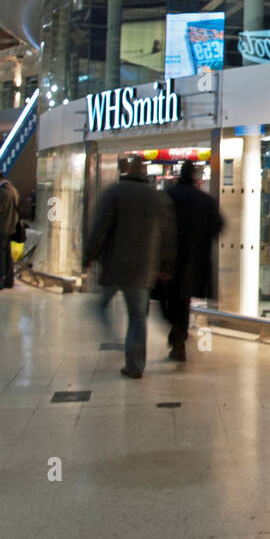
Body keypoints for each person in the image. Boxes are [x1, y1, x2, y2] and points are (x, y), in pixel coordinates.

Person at [84, 155, 176, 379]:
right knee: (137, 318)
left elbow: (100, 229)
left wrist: (89, 256)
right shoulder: (157, 197)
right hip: (142, 270)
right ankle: (135, 365)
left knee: (100, 306)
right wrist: (165, 265)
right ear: (144, 173)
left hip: (114, 266)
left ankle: (114, 338)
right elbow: (168, 236)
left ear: (126, 171)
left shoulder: (113, 193)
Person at [161, 161, 223, 362]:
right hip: (195, 259)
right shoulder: (204, 200)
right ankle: (179, 335)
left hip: (170, 258)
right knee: (183, 299)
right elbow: (219, 225)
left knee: (167, 299)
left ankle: (177, 335)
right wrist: (202, 239)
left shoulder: (168, 196)